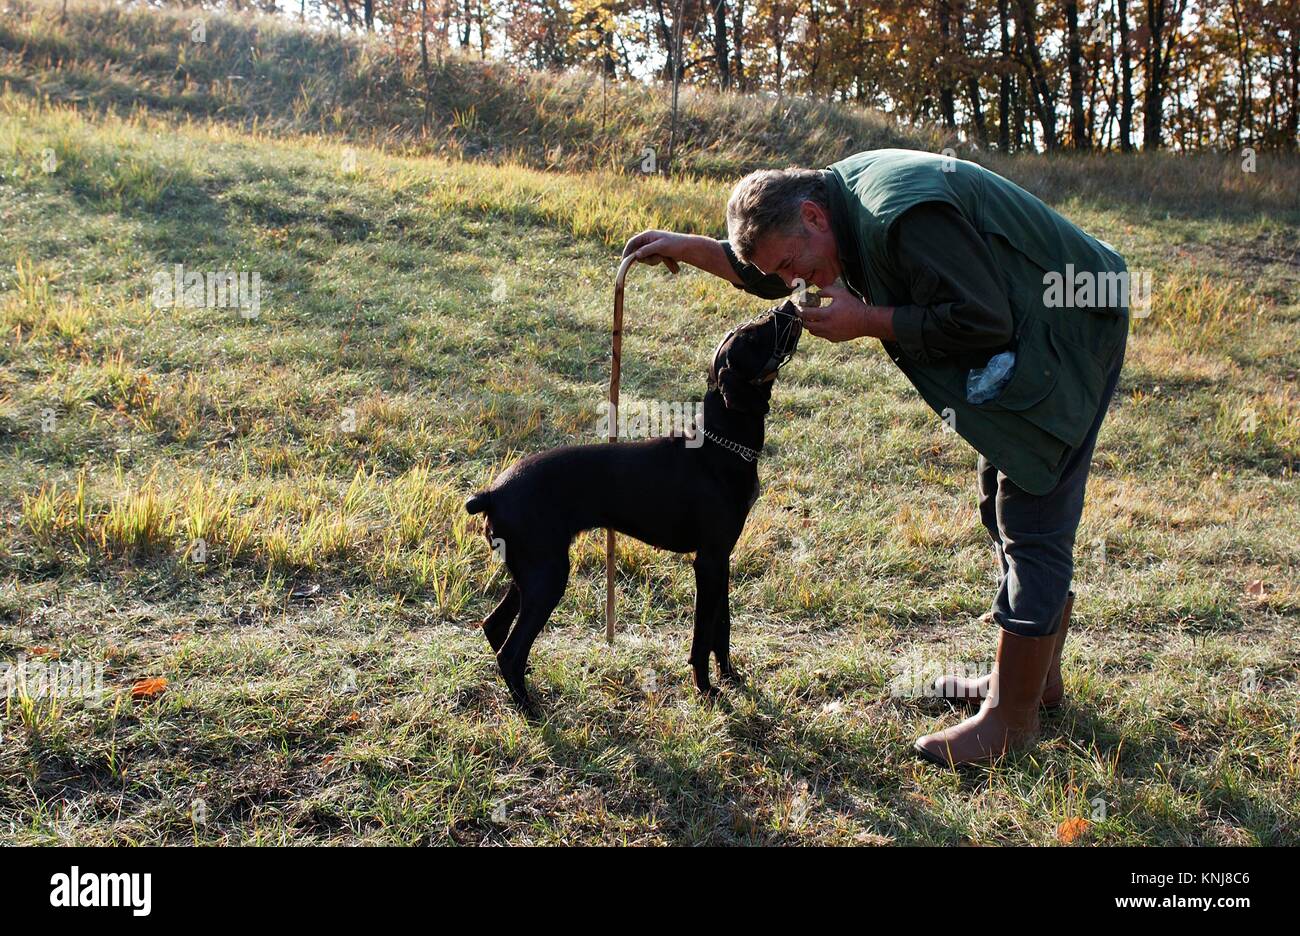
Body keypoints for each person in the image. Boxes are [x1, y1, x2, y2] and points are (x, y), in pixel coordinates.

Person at [621, 148, 1130, 767]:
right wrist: (687, 247)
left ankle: (1010, 720)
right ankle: (1033, 682)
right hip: (1026, 329)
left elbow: (984, 318)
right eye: (781, 276)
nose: (791, 288)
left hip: (1067, 327)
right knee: (1002, 505)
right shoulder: (827, 207)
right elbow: (770, 264)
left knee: (1033, 519)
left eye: (789, 268)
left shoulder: (900, 216)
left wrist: (867, 319)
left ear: (812, 217)